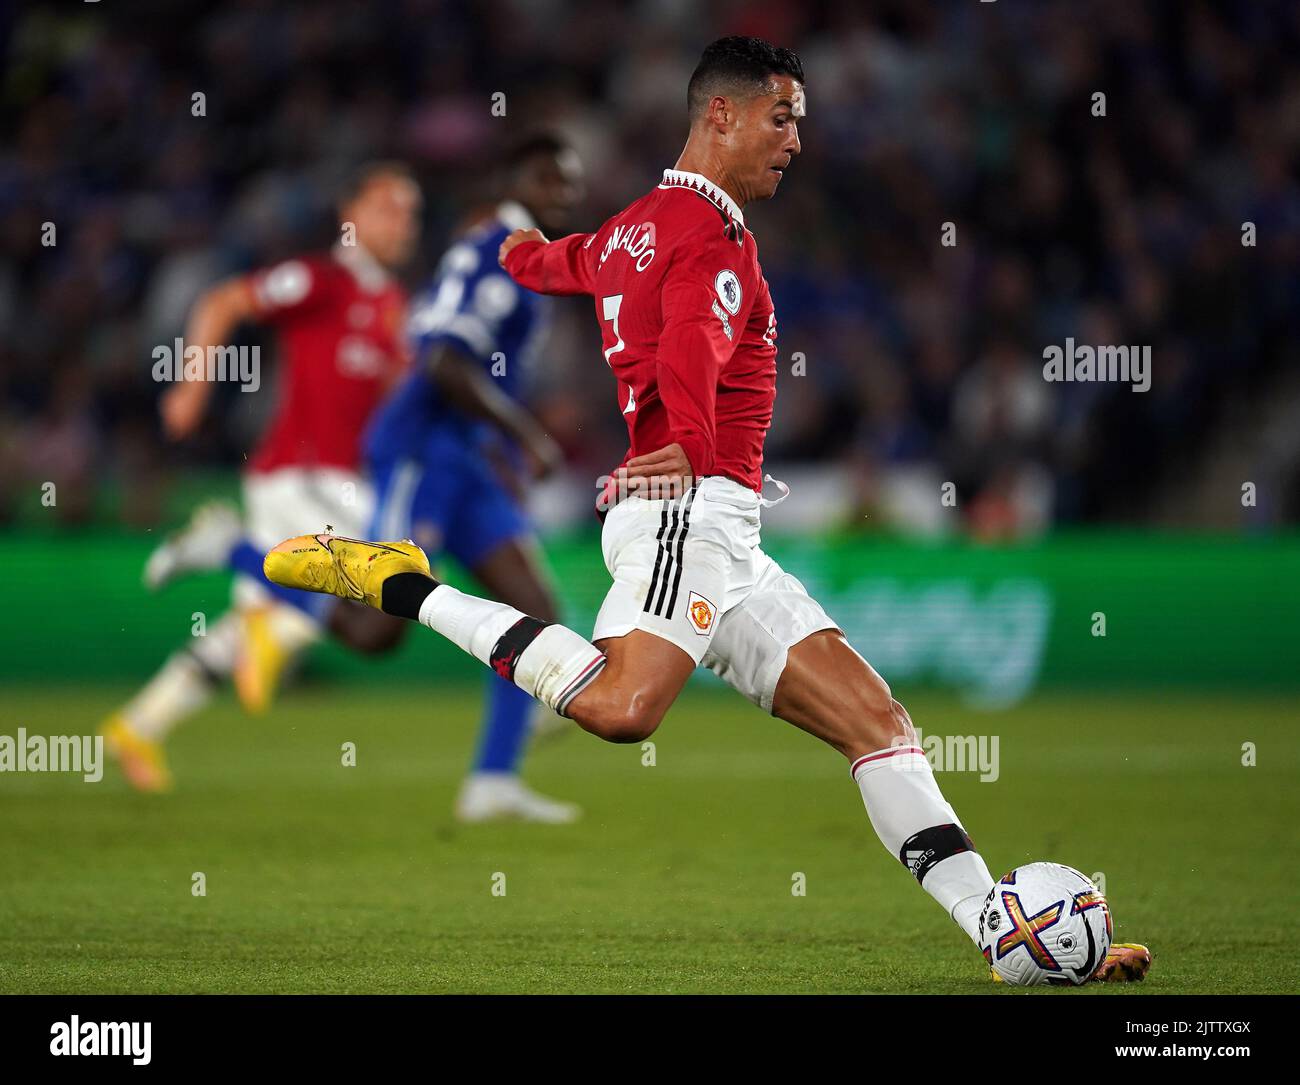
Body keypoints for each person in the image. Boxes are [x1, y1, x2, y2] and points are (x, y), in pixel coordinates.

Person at [262, 37, 1149, 982]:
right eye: (782, 118)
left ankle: (993, 927)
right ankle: (403, 582)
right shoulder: (712, 241)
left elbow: (558, 264)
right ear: (719, 116)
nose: (795, 141)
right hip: (686, 508)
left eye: (798, 122)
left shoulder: (631, 227)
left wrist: (510, 247)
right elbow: (691, 343)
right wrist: (676, 444)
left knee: (877, 724)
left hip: (722, 536)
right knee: (621, 708)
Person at [101, 163, 419, 791]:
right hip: (300, 474)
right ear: (349, 215)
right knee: (359, 586)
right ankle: (226, 546)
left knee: (258, 625)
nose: (403, 222)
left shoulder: (390, 304)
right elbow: (222, 300)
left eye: (410, 211)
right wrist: (193, 387)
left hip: (341, 476)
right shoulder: (321, 279)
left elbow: (392, 396)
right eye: (388, 207)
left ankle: (139, 724)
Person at [358, 134, 588, 822]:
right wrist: (527, 434)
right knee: (376, 634)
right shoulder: (497, 250)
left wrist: (499, 451)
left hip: (467, 458)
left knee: (539, 616)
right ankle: (246, 555)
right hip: (422, 455)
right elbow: (443, 365)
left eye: (571, 183)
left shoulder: (521, 254)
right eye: (549, 177)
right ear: (513, 177)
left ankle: (491, 781)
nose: (564, 194)